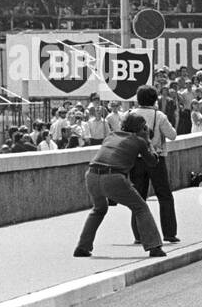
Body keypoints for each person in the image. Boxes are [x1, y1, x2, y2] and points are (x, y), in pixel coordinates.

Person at [73, 113, 165, 258]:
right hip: (113, 177)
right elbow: (153, 161)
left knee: (98, 209)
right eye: (144, 128)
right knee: (140, 207)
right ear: (141, 129)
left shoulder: (110, 136)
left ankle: (82, 247)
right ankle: (154, 247)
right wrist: (148, 141)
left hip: (91, 175)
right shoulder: (139, 141)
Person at [128, 85, 179, 244]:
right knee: (164, 196)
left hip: (136, 159)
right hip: (156, 158)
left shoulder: (130, 115)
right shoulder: (160, 116)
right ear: (154, 99)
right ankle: (169, 233)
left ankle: (139, 235)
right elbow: (172, 135)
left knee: (138, 197)